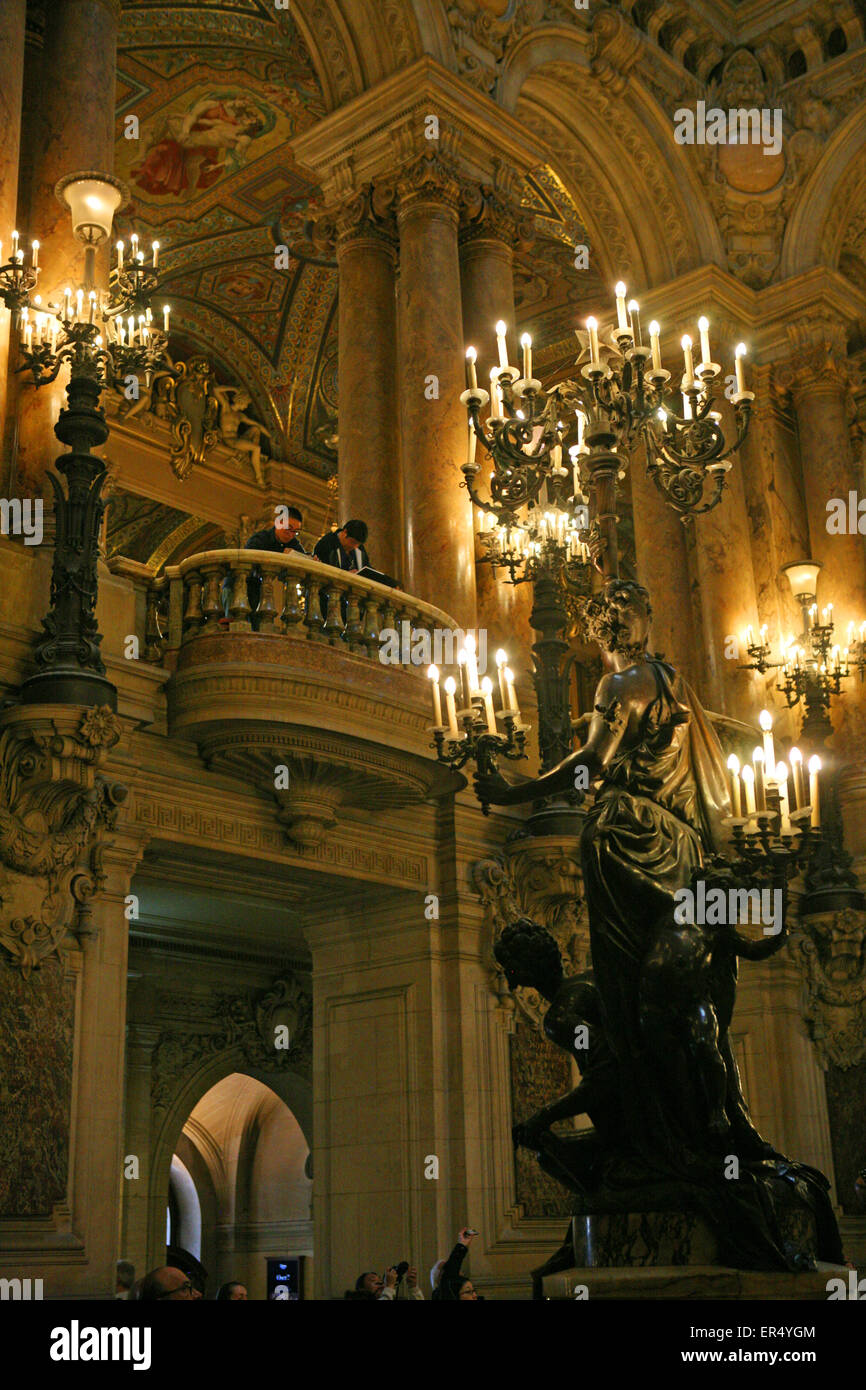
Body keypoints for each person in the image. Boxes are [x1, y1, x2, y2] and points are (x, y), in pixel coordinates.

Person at [223, 504, 306, 627]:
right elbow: (249, 565)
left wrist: (311, 559)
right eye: (288, 528)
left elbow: (304, 559)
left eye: (295, 532)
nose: (291, 534)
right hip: (237, 587)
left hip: (258, 591)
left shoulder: (292, 543)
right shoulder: (260, 539)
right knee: (236, 626)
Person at [431, 1228, 477, 1301]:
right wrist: (461, 1246)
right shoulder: (445, 1292)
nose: (475, 1296)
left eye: (474, 1291)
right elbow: (450, 1273)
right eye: (468, 1292)